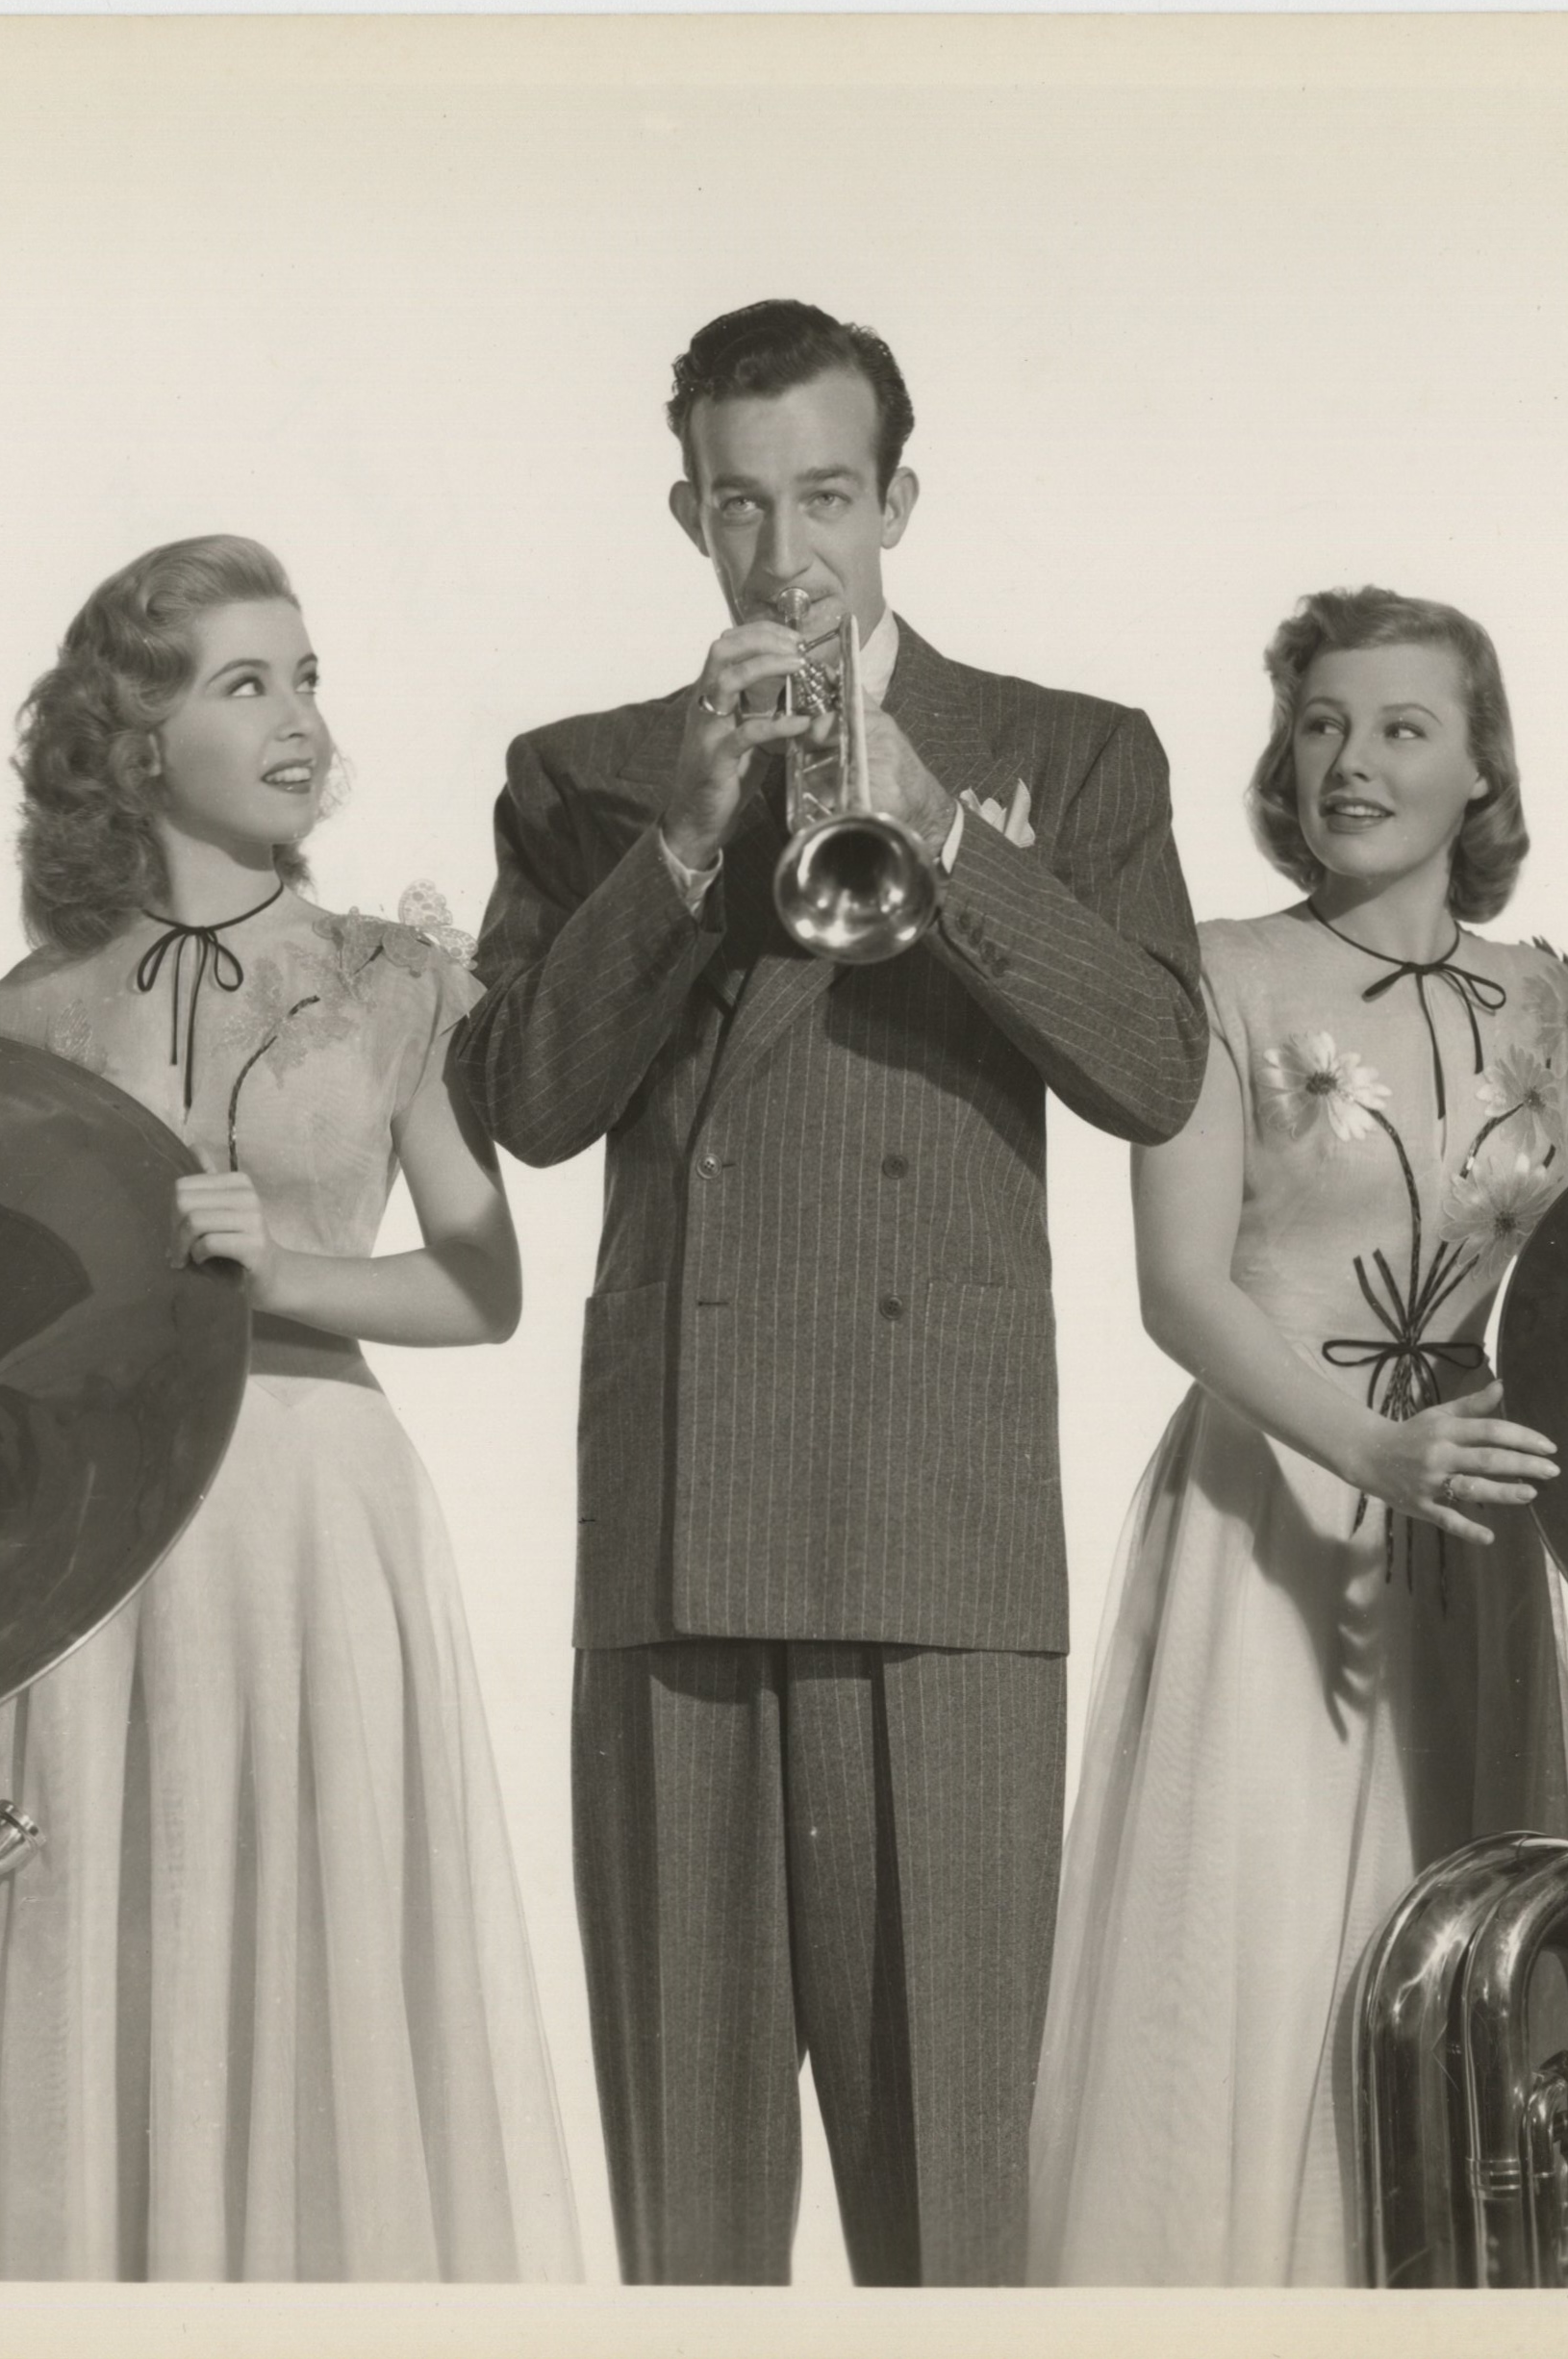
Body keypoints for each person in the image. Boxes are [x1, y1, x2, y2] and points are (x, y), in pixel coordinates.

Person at [0, 536, 581, 2283]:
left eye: (308, 677)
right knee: (104, 1943)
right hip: (89, 1544)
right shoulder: (20, 1017)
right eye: (248, 682)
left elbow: (481, 1285)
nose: (302, 716)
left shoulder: (397, 977)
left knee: (310, 1958)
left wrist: (281, 1271)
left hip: (309, 1515)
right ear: (134, 742)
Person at [447, 299, 1208, 2285]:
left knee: (955, 2201)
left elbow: (1151, 1073)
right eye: (738, 507)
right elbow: (530, 1108)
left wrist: (944, 834)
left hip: (937, 1523)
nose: (785, 560)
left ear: (898, 503)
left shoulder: (1066, 753)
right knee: (688, 2212)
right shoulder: (583, 777)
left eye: (827, 500)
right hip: (682, 1531)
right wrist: (689, 837)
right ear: (685, 513)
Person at [1026, 584, 1568, 2287]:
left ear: (1478, 771)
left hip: (1475, 1530)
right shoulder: (1216, 970)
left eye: (1401, 727)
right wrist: (1366, 1454)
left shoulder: (1550, 1005)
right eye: (1322, 722)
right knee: (1255, 1955)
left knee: (1461, 1949)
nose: (1348, 759)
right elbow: (1178, 1287)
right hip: (1274, 1503)